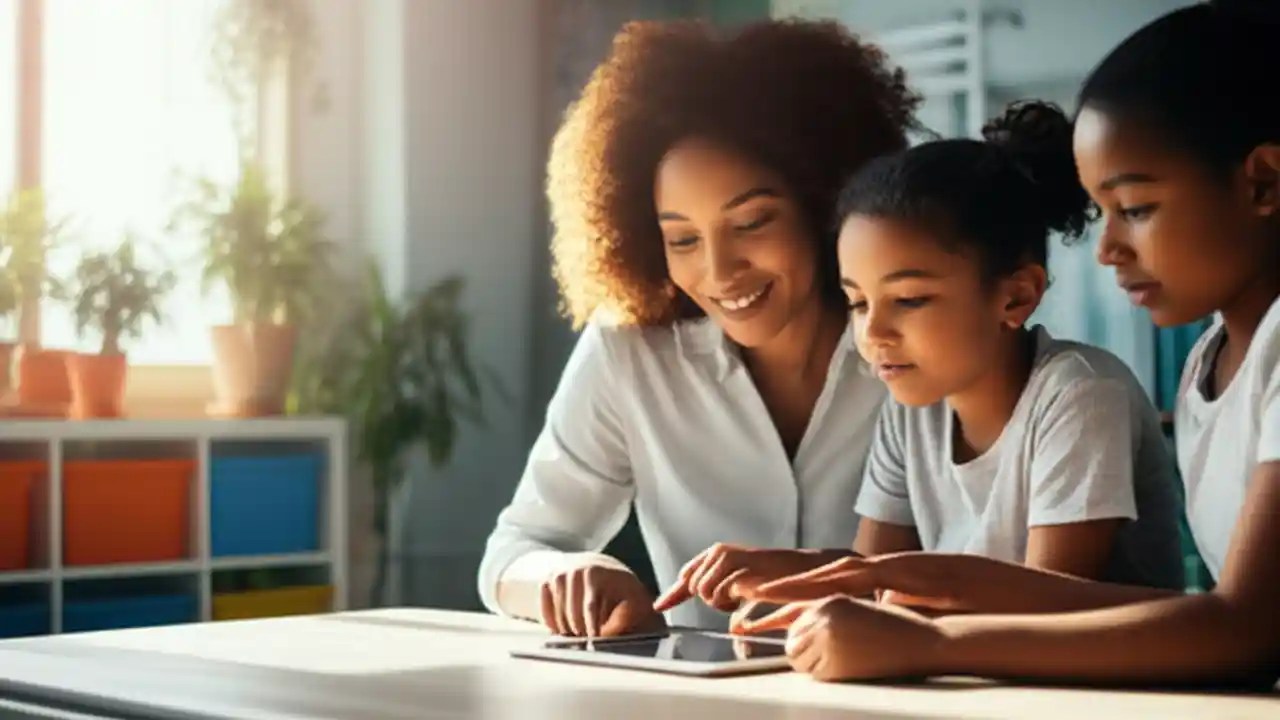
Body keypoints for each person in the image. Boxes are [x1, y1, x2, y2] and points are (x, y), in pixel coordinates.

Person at [736, 0, 1280, 686]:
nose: (1108, 249)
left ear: (1263, 182)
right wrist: (826, 578)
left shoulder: (1089, 388)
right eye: (856, 302)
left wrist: (930, 641)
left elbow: (1252, 630)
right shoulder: (1211, 360)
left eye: (1136, 209)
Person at [477, 18, 919, 635]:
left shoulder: (916, 336)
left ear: (825, 204)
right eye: (682, 238)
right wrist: (565, 576)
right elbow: (515, 549)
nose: (719, 271)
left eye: (751, 223)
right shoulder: (627, 350)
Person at [658, 101, 1183, 619]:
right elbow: (875, 570)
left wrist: (874, 613)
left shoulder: (1081, 395)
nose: (874, 332)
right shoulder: (914, 407)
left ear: (1016, 297)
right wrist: (785, 572)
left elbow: (1048, 606)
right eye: (858, 302)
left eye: (908, 300)